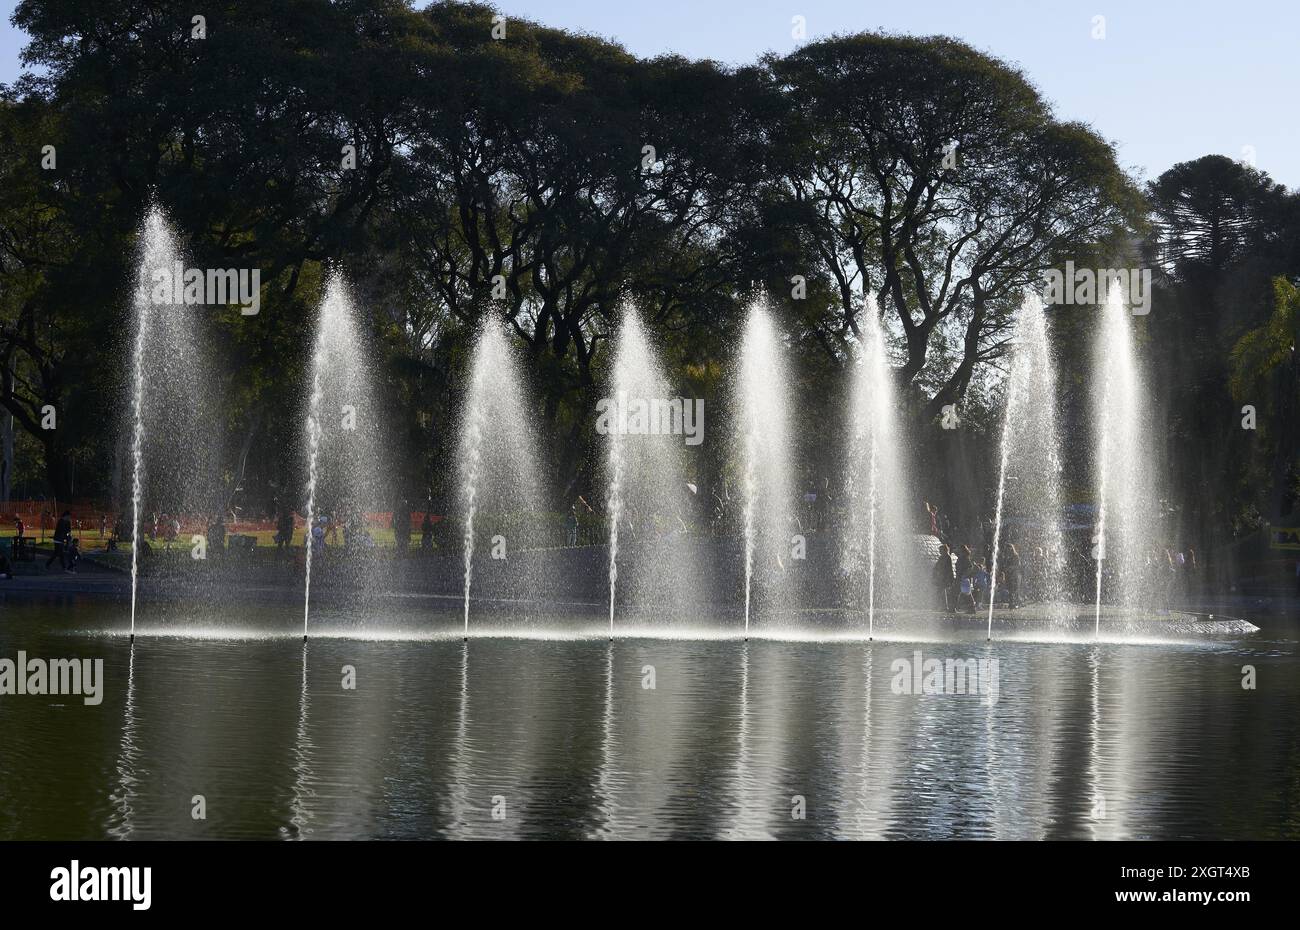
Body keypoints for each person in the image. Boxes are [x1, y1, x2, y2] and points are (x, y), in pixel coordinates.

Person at [933, 544, 955, 612]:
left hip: (944, 578)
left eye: (940, 550)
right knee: (941, 592)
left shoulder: (947, 557)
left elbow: (949, 568)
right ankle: (943, 606)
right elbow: (937, 566)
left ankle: (945, 607)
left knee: (942, 592)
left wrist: (949, 578)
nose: (939, 551)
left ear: (944, 550)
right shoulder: (942, 557)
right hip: (941, 577)